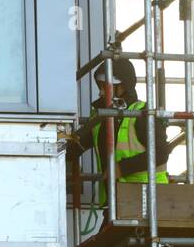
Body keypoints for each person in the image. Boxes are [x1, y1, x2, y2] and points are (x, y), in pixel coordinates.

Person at [68, 56, 169, 210]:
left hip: (148, 200)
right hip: (115, 204)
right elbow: (74, 149)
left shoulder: (142, 113)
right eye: (100, 86)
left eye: (106, 86)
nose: (101, 92)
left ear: (122, 87)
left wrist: (122, 168)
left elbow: (161, 153)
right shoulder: (100, 118)